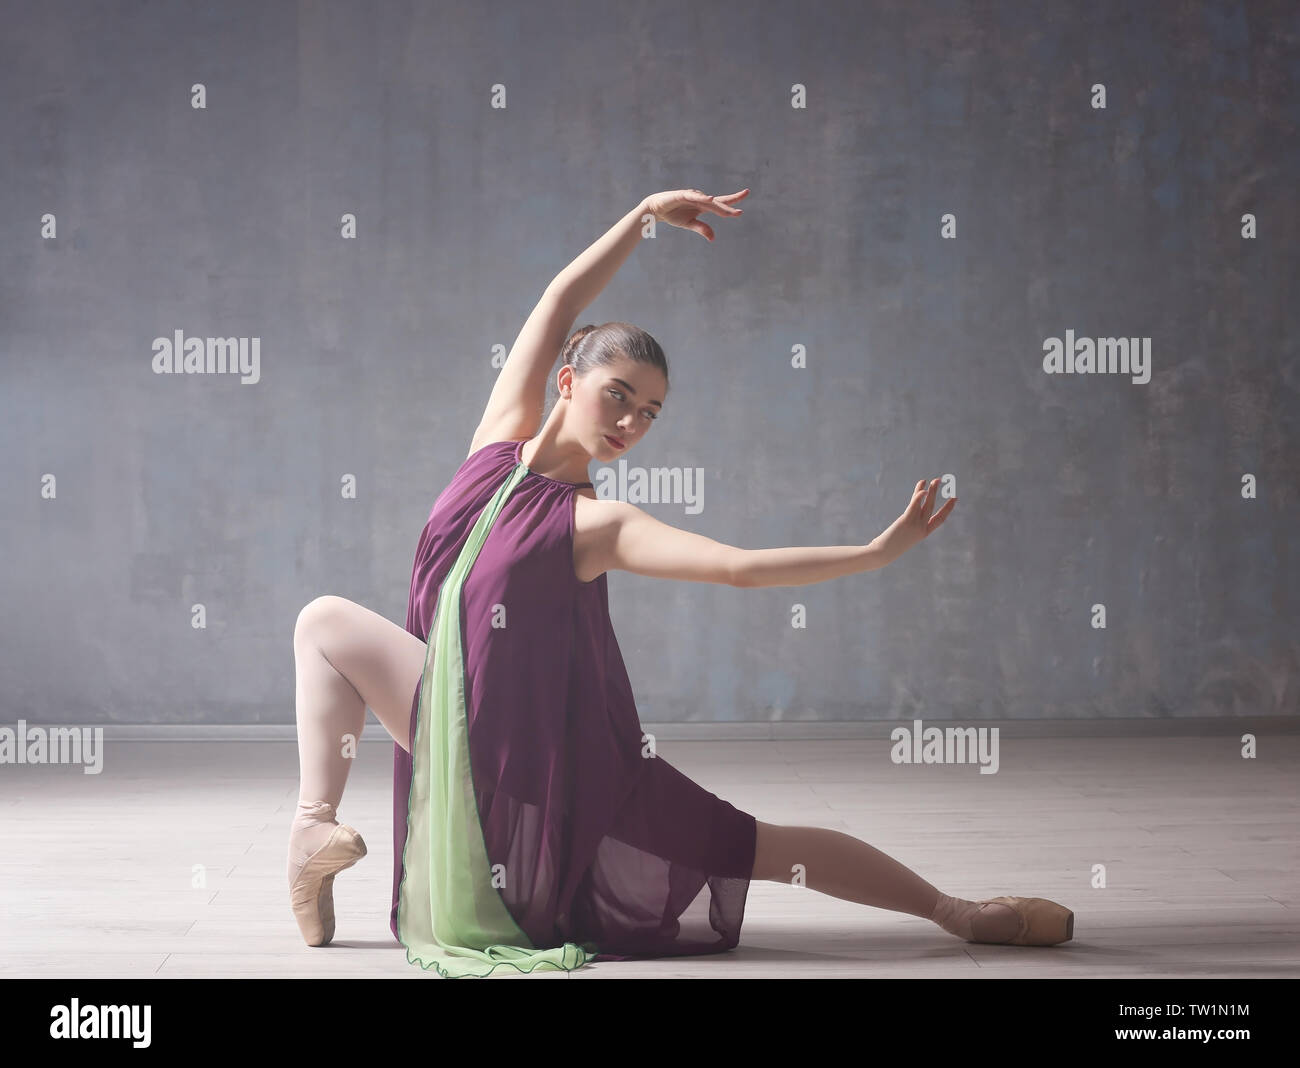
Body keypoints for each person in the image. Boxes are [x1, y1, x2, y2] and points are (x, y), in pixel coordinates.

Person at [286, 188, 1073, 975]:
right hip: (450, 722)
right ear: (568, 383)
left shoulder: (598, 524)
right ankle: (311, 833)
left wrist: (873, 552)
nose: (629, 423)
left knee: (750, 842)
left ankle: (959, 913)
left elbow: (737, 568)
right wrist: (642, 218)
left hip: (522, 751)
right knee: (322, 622)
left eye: (650, 414)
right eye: (617, 396)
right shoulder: (493, 445)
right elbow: (560, 298)